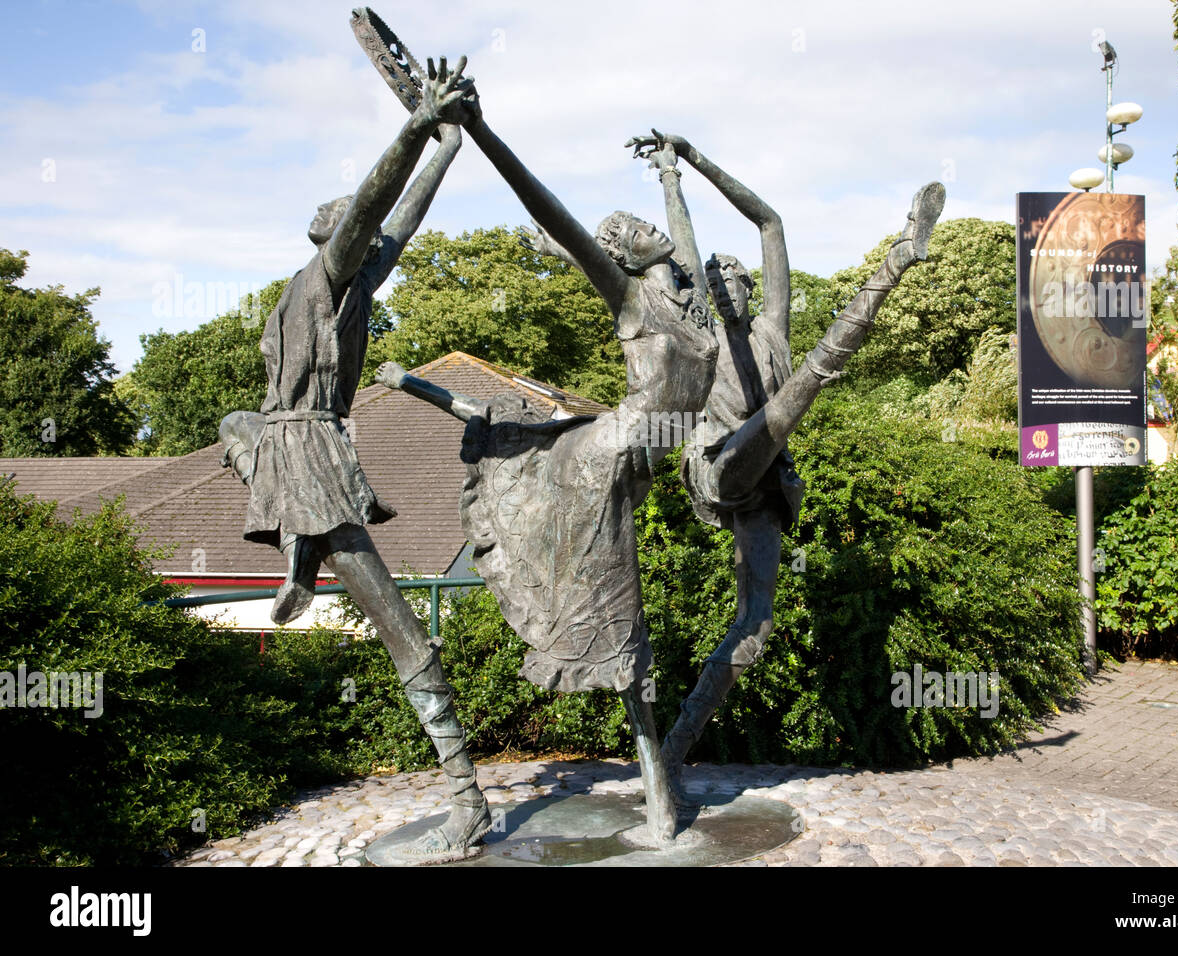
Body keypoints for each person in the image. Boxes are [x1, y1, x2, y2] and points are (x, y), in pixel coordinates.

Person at [374, 84, 717, 845]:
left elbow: (686, 233)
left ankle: (660, 793)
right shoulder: (630, 298)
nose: (641, 228)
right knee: (619, 626)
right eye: (626, 229)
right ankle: (660, 800)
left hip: (632, 454)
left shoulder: (688, 304)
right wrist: (484, 132)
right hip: (609, 457)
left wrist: (670, 171)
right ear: (618, 255)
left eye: (638, 220)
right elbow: (547, 207)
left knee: (625, 628)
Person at [218, 57, 492, 863]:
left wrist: (419, 130)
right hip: (292, 445)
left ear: (342, 233)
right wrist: (448, 141)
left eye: (339, 215)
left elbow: (381, 206)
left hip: (312, 456)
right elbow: (399, 216)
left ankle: (467, 797)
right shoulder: (346, 284)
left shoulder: (329, 277)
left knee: (400, 631)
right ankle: (296, 550)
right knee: (237, 421)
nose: (331, 212)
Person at [625, 131, 945, 795]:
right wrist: (667, 179)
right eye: (713, 286)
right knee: (806, 385)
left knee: (755, 628)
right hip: (718, 469)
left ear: (748, 286)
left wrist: (694, 158)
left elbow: (770, 222)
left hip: (767, 484)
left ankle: (674, 751)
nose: (724, 290)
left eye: (732, 280)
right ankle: (893, 266)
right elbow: (681, 245)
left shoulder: (773, 327)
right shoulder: (702, 337)